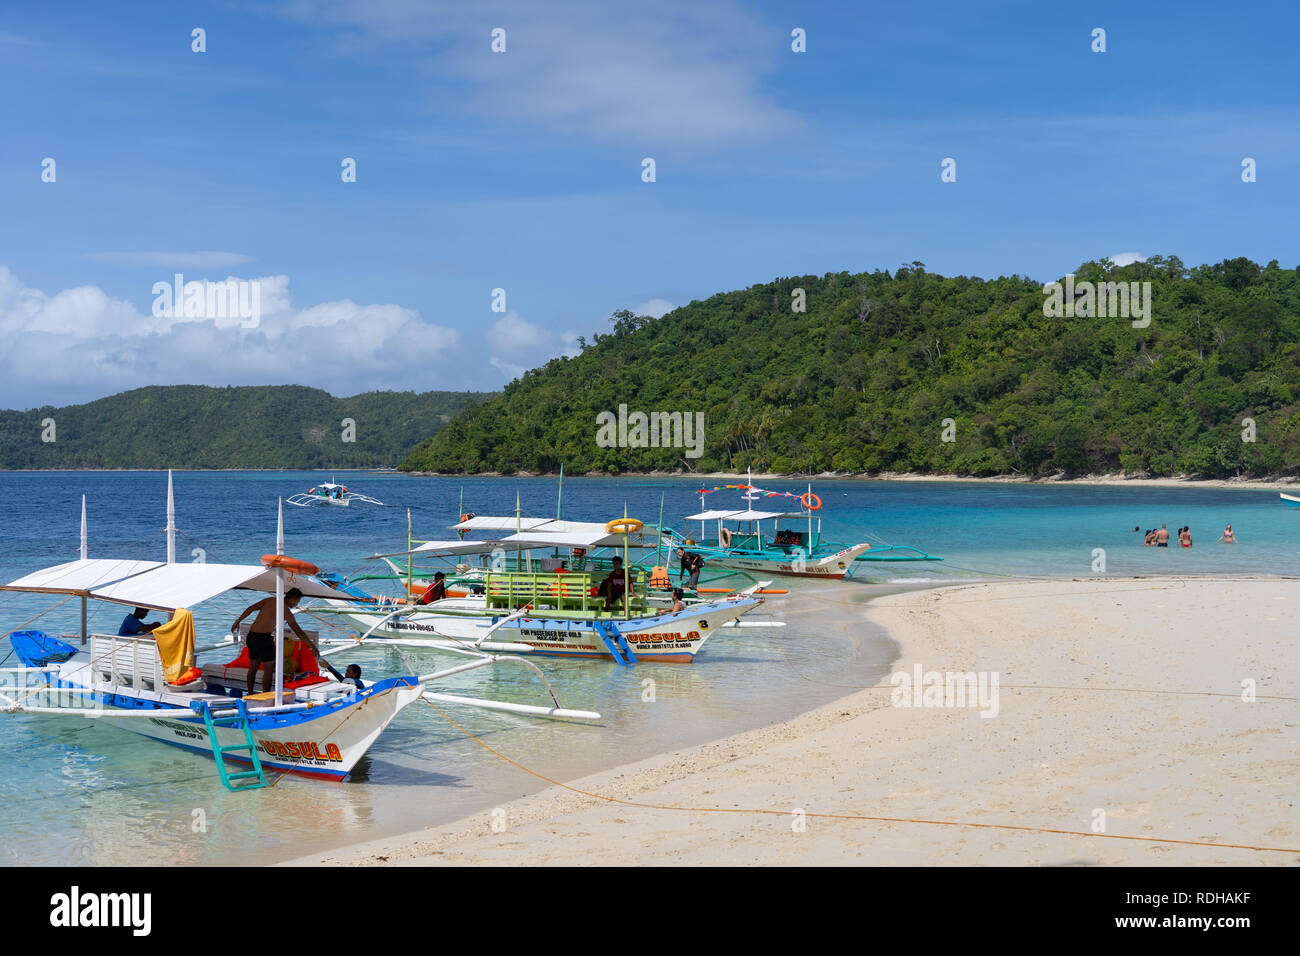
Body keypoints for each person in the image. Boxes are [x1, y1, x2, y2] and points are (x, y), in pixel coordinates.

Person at [230, 587, 320, 694]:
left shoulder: (269, 600)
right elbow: (299, 632)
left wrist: (238, 621)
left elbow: (250, 608)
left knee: (253, 668)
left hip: (252, 636)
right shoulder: (286, 611)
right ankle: (266, 696)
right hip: (263, 638)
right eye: (297, 601)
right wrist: (312, 646)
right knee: (269, 669)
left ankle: (250, 693)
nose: (296, 604)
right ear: (292, 599)